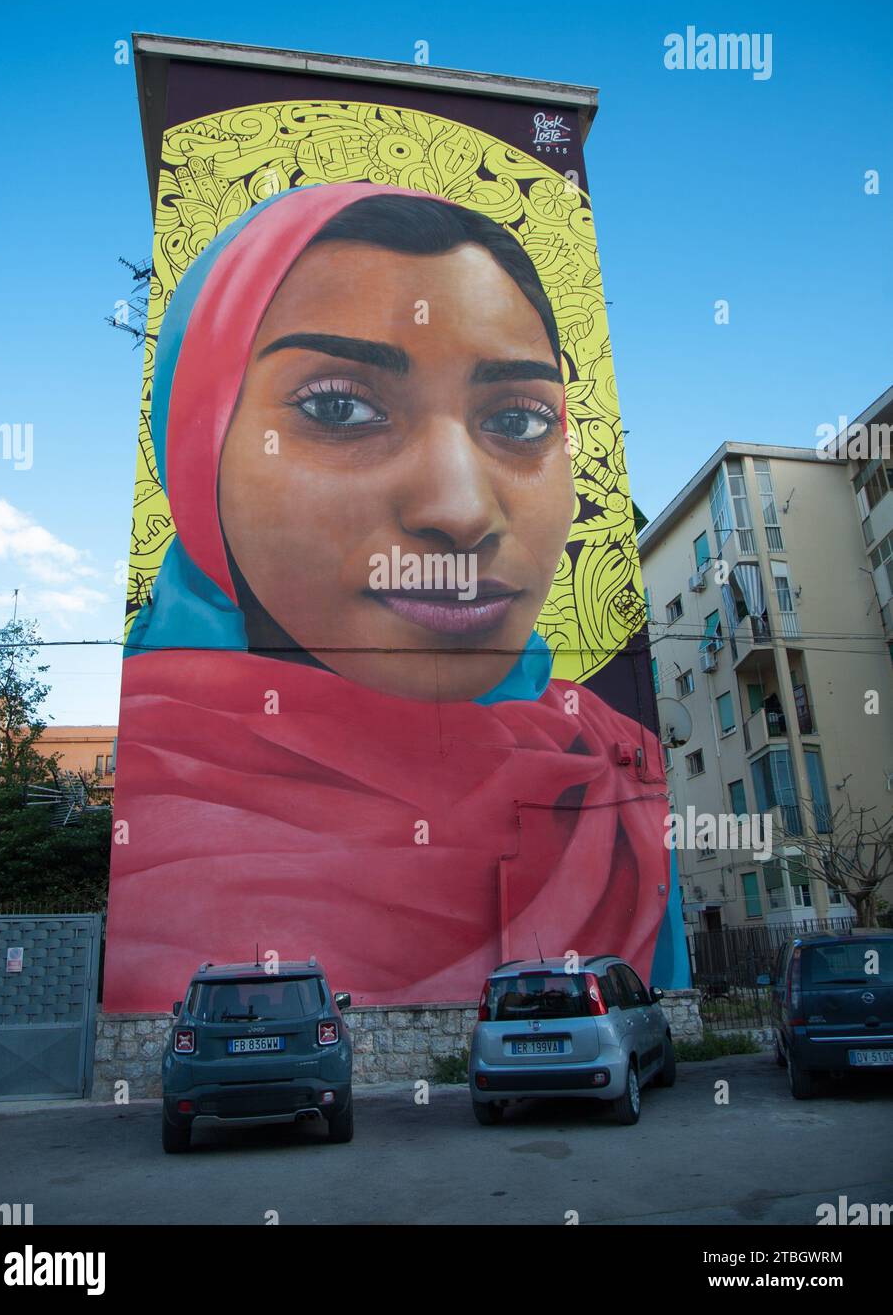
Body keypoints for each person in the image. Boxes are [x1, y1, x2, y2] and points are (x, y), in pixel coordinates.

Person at [103, 181, 668, 1012]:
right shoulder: (149, 796)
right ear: (199, 445)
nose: (458, 510)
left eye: (517, 422)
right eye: (339, 408)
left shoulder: (611, 773)